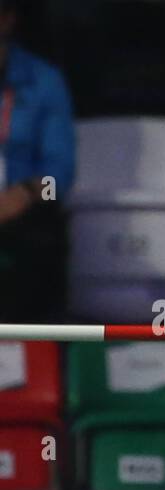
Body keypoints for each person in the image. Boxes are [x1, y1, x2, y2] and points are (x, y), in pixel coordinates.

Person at [0, 0, 74, 322]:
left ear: (6, 20)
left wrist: (27, 194)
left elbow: (60, 176)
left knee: (41, 244)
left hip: (21, 213)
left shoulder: (44, 81)